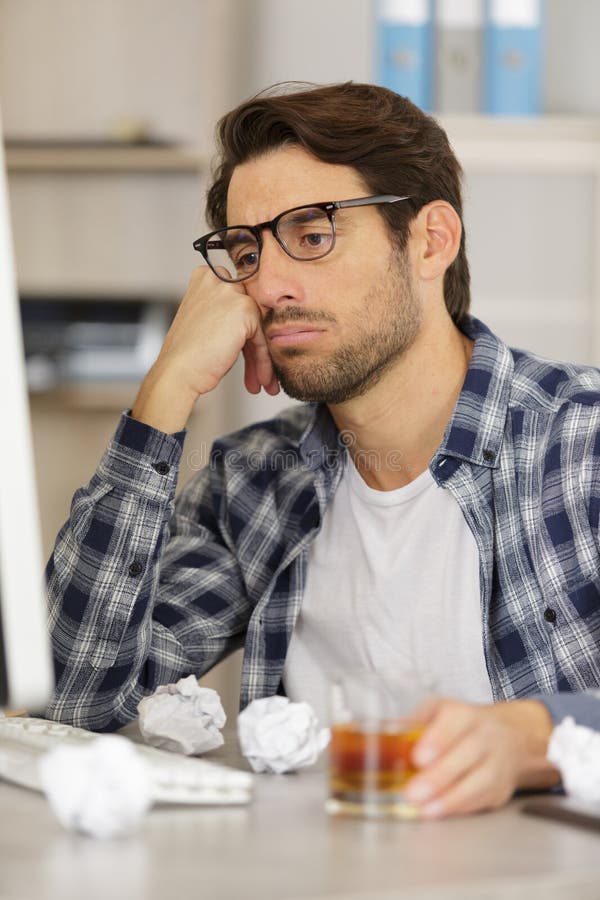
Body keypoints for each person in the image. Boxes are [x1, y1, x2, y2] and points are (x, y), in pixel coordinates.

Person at [46, 81, 600, 819]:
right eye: (245, 251)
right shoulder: (252, 484)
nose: (267, 285)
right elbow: (76, 697)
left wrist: (543, 734)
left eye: (313, 235)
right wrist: (166, 389)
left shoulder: (581, 445)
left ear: (432, 240)